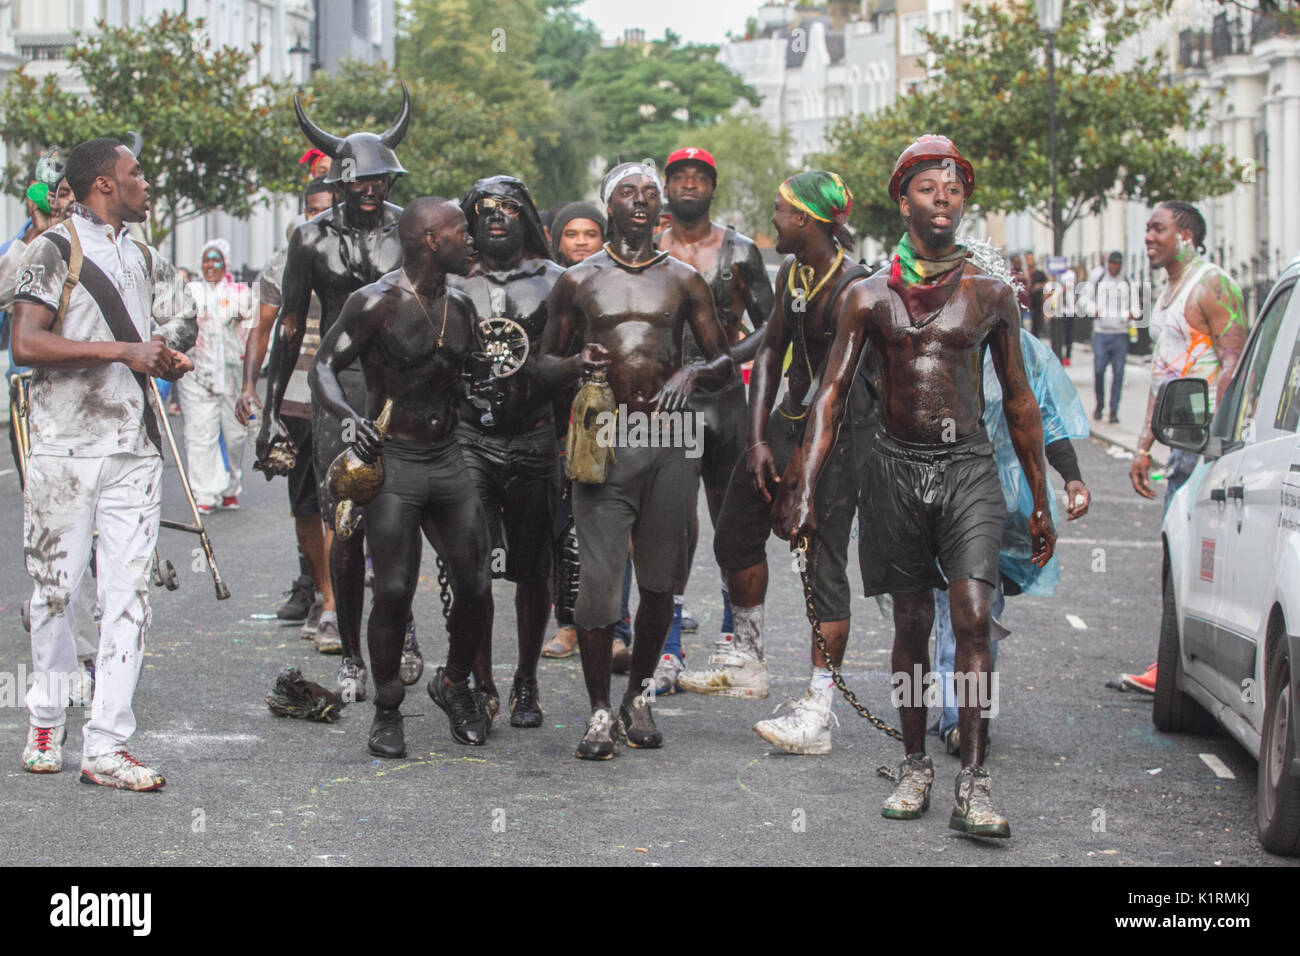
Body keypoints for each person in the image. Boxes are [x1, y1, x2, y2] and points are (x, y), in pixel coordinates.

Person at [774, 135, 1054, 838]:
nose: (944, 200)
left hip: (968, 472)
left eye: (954, 189)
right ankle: (914, 761)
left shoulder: (990, 295)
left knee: (972, 617)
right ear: (903, 200)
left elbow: (1019, 400)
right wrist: (804, 487)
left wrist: (1042, 497)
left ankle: (977, 779)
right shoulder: (869, 297)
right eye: (929, 189)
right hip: (894, 470)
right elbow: (831, 395)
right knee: (910, 625)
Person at [11, 137, 196, 789]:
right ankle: (44, 718)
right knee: (57, 590)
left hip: (133, 445)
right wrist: (123, 350)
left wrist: (164, 352)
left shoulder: (144, 254)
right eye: (135, 174)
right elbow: (27, 341)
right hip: (64, 442)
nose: (146, 183)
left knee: (129, 595)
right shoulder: (53, 248)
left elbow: (169, 325)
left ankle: (107, 746)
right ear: (103, 186)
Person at [537, 161, 732, 759]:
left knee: (658, 583)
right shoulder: (578, 281)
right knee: (597, 587)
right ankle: (599, 710)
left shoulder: (684, 279)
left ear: (661, 207)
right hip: (603, 437)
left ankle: (637, 696)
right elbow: (542, 363)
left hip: (671, 439)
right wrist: (575, 367)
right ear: (609, 206)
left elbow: (723, 358)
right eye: (629, 192)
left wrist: (692, 369)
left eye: (650, 192)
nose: (642, 200)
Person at [683, 171, 874, 747]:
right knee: (734, 535)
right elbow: (769, 352)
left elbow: (838, 392)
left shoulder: (855, 288)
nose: (774, 220)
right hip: (790, 421)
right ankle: (747, 658)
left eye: (781, 212)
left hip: (841, 436)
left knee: (822, 564)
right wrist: (758, 438)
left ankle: (818, 709)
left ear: (810, 220)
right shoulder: (794, 270)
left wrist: (805, 474)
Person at [311, 196, 493, 757]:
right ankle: (388, 707)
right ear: (432, 240)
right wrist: (351, 418)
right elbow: (324, 366)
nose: (473, 240)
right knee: (391, 590)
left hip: (447, 458)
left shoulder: (462, 306)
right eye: (463, 231)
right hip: (396, 462)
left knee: (478, 587)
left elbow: (465, 379)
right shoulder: (376, 303)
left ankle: (453, 683)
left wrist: (480, 393)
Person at [256, 90, 411, 682]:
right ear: (340, 183)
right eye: (362, 182)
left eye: (382, 182)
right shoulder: (310, 239)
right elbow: (291, 325)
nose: (373, 192)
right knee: (341, 508)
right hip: (335, 379)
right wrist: (272, 410)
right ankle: (347, 643)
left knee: (399, 505)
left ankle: (402, 627)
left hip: (398, 377)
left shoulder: (407, 231)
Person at [933, 319, 1091, 755]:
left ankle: (966, 717)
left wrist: (1071, 478)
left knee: (979, 613)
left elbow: (1047, 419)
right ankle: (955, 719)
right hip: (939, 497)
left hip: (1002, 505)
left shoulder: (1024, 351)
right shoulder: (937, 336)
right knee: (951, 610)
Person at [652, 146, 774, 694]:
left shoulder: (741, 251)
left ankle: (738, 644)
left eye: (700, 178)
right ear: (666, 186)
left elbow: (774, 328)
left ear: (712, 188)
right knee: (669, 525)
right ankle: (668, 648)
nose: (689, 186)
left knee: (733, 523)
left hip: (725, 402)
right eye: (680, 177)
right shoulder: (648, 247)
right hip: (663, 404)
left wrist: (728, 360)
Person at [451, 175, 565, 728]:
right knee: (471, 568)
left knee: (532, 569)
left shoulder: (560, 282)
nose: (497, 217)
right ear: (469, 221)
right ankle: (479, 683)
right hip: (470, 439)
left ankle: (525, 679)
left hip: (535, 438)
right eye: (485, 209)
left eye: (509, 208)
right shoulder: (450, 284)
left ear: (527, 218)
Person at [1120, 201, 1246, 694]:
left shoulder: (1212, 285)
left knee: (1189, 556)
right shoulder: (1170, 288)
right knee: (1177, 556)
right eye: (1148, 228)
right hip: (1179, 439)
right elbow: (1164, 369)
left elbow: (1235, 365)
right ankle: (1170, 663)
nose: (1148, 236)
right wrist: (1143, 444)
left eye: (1158, 228)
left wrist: (1221, 436)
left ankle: (1176, 666)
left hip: (1204, 443)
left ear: (1187, 235)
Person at [237, 178, 336, 643]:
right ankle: (321, 591)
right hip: (295, 401)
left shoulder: (361, 258)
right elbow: (262, 329)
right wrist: (249, 388)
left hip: (346, 398)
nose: (319, 216)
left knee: (344, 504)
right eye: (312, 209)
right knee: (306, 507)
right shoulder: (284, 260)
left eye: (327, 208)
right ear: (303, 212)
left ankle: (337, 603)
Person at [540, 201, 609, 662]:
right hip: (556, 420)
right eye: (572, 234)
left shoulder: (615, 282)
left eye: (590, 233)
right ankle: (566, 624)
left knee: (609, 525)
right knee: (560, 526)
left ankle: (612, 624)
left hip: (614, 417)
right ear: (556, 239)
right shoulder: (546, 284)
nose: (581, 241)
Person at [177, 238, 253, 514]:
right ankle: (204, 492)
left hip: (232, 377)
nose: (210, 265)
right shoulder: (191, 292)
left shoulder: (240, 293)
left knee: (234, 437)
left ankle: (231, 486)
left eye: (216, 259)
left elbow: (255, 334)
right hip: (197, 377)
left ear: (226, 264)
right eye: (206, 259)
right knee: (199, 435)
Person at [1092, 250, 1133, 424]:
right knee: (1099, 370)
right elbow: (1085, 300)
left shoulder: (1127, 282)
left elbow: (1137, 306)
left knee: (1118, 374)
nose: (1114, 267)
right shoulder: (1098, 279)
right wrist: (1094, 310)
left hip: (1120, 334)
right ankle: (1100, 404)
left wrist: (1130, 314)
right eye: (1112, 263)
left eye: (1117, 264)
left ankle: (1114, 410)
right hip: (1101, 332)